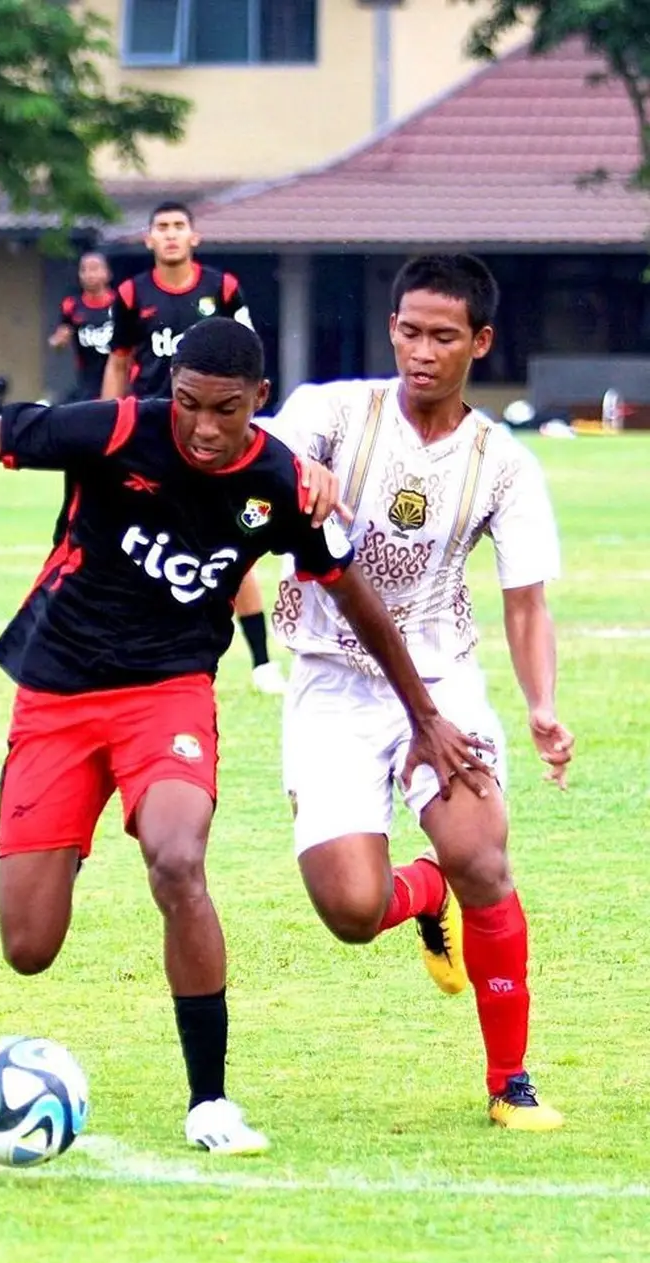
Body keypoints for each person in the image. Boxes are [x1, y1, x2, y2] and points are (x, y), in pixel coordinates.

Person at [0, 317, 490, 1153]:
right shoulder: (122, 427)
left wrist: (426, 716)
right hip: (55, 696)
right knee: (28, 947)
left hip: (167, 695)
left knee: (177, 856)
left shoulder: (280, 483)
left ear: (258, 403)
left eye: (225, 411)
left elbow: (354, 596)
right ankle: (66, 836)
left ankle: (210, 1102)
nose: (201, 427)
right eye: (189, 403)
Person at [267, 254, 575, 1131]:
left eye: (444, 336)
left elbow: (527, 604)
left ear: (479, 341)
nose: (422, 351)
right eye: (408, 331)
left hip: (441, 680)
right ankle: (420, 895)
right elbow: (258, 470)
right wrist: (293, 482)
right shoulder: (332, 412)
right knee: (352, 911)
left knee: (482, 854)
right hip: (331, 679)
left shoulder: (503, 464)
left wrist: (541, 706)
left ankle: (509, 1080)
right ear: (391, 329)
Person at [102, 200, 281, 695]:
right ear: (149, 239)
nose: (172, 235)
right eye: (162, 227)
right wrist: (104, 424)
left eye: (180, 226)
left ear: (194, 237)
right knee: (134, 542)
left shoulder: (221, 289)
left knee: (229, 543)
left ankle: (263, 662)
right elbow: (119, 361)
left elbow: (247, 357)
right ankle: (132, 648)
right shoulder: (131, 294)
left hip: (211, 438)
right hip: (152, 437)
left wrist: (246, 420)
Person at [48, 251, 115, 403]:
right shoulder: (72, 306)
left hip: (117, 379)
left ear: (107, 273)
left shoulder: (120, 304)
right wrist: (57, 342)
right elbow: (60, 337)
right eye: (84, 270)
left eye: (94, 268)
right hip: (87, 383)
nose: (89, 274)